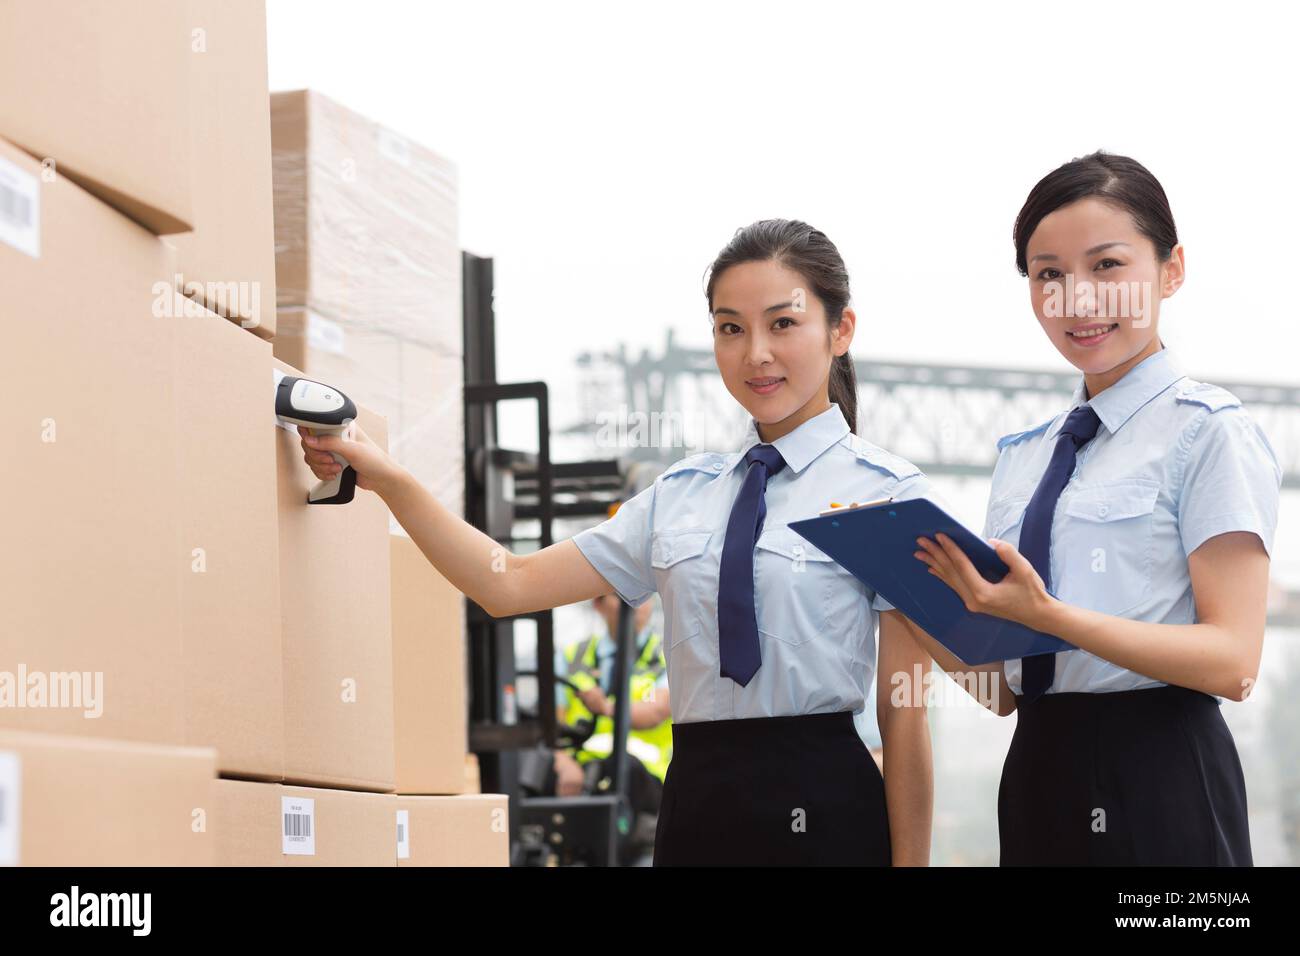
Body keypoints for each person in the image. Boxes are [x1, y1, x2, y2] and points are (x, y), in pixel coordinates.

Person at [297, 219, 934, 866]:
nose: (755, 354)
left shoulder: (887, 494)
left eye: (782, 323)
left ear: (841, 330)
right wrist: (392, 480)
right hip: (696, 814)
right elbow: (506, 582)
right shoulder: (679, 497)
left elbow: (904, 715)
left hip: (827, 814)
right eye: (730, 328)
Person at [906, 151, 1280, 865]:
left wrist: (1050, 619)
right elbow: (1004, 693)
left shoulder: (1209, 432)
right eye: (1049, 274)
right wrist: (912, 598)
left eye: (1106, 266)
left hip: (1162, 775)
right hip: (1037, 773)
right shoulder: (1024, 457)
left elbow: (1233, 661)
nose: (1077, 299)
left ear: (1171, 270)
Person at [551, 593, 672, 819]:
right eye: (620, 595)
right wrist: (561, 761)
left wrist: (605, 707)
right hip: (584, 767)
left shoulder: (668, 656)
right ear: (598, 604)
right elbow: (551, 724)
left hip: (646, 776)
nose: (635, 604)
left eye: (643, 595)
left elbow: (656, 711)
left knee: (624, 769)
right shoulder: (570, 657)